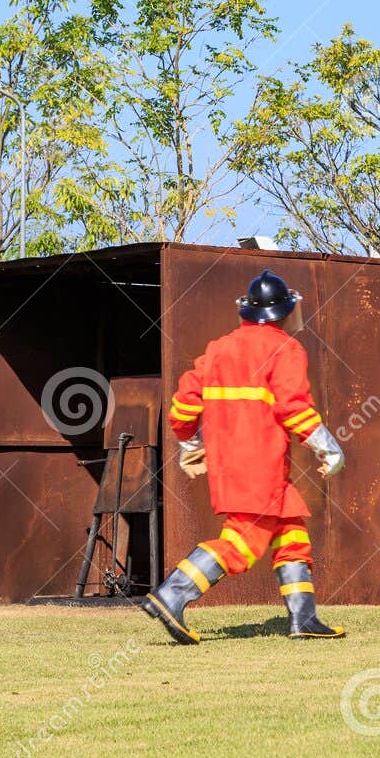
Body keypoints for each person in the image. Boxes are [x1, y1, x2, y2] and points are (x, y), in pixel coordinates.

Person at [142, 269, 347, 644]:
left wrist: (190, 444)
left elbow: (183, 404)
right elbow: (293, 408)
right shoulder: (286, 349)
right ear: (284, 312)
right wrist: (328, 446)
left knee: (291, 532)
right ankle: (173, 593)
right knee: (242, 545)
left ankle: (304, 617)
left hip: (230, 465)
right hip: (262, 464)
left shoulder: (219, 347)